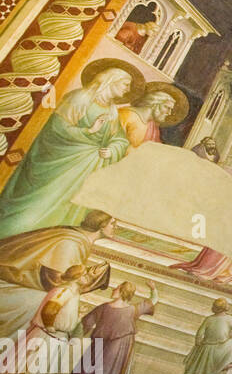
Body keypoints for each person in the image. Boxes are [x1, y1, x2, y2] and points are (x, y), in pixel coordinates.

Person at [0, 62, 135, 240]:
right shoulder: (80, 99)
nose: (127, 90)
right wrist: (88, 131)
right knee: (32, 212)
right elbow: (55, 128)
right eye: (125, 84)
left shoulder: (111, 111)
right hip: (59, 167)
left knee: (61, 218)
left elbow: (119, 139)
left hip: (82, 176)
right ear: (112, 80)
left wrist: (112, 149)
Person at [60, 280, 157, 374]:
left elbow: (153, 300)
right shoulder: (113, 308)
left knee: (95, 372)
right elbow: (86, 322)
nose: (113, 290)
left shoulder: (129, 309)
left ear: (123, 292)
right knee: (99, 373)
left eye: (116, 288)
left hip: (119, 345)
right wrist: (75, 338)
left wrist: (153, 289)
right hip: (111, 345)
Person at [0, 265, 86, 374]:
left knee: (32, 366)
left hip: (54, 336)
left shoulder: (72, 292)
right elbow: (50, 309)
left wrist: (78, 314)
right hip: (47, 335)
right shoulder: (65, 291)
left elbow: (63, 312)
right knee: (29, 366)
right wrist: (50, 327)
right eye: (84, 274)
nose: (86, 277)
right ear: (76, 277)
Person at [118, 84, 183, 148]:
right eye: (167, 107)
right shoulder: (127, 115)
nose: (169, 113)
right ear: (154, 104)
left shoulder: (152, 126)